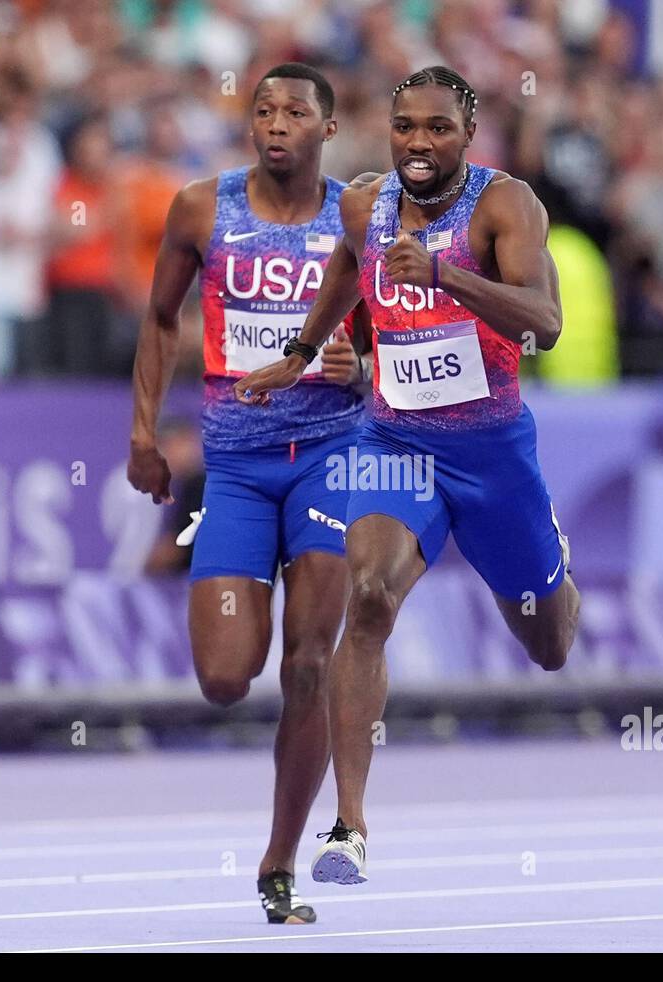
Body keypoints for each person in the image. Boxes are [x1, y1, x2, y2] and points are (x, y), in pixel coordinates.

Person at [233, 66, 581, 886]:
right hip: (395, 443)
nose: (419, 144)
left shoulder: (507, 205)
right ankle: (349, 825)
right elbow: (349, 270)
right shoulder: (363, 203)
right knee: (372, 593)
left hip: (493, 454)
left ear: (468, 134)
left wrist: (449, 275)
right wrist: (299, 351)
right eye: (405, 128)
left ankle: (554, 562)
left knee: (551, 644)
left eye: (437, 129)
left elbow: (548, 323)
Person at [126, 63, 372, 924]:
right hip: (234, 463)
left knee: (306, 663)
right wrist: (144, 432)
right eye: (262, 109)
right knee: (227, 677)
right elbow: (160, 318)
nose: (274, 123)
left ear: (326, 130)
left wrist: (363, 365)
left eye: (294, 112)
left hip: (330, 459)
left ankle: (278, 863)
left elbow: (397, 339)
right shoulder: (202, 207)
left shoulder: (359, 216)